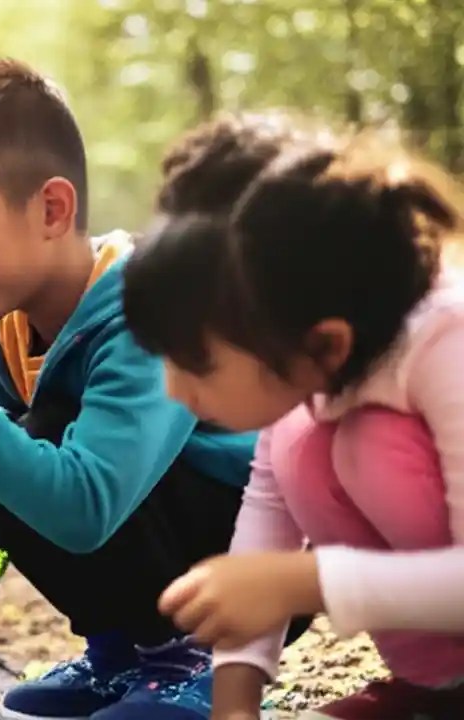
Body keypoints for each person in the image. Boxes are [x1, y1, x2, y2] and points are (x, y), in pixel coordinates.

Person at [0, 57, 262, 720]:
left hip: (248, 551)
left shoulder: (147, 311)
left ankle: (198, 661)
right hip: (155, 535)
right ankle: (121, 656)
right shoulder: (7, 328)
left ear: (51, 207)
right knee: (14, 440)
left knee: (39, 438)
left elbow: (86, 504)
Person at [123, 131, 464, 719]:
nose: (175, 391)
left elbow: (275, 577)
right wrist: (235, 707)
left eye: (197, 364)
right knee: (300, 444)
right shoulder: (304, 376)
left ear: (325, 343)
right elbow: (263, 527)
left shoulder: (446, 344)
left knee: (366, 444)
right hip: (437, 688)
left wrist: (300, 583)